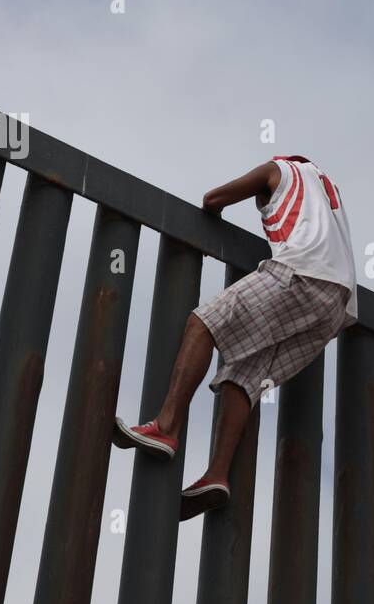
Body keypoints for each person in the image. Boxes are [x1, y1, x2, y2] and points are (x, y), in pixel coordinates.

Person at [112, 155, 357, 518]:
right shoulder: (327, 190)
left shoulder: (278, 169)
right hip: (338, 306)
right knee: (245, 375)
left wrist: (215, 214)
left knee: (204, 321)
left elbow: (213, 200)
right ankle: (217, 475)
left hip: (300, 272)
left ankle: (165, 427)